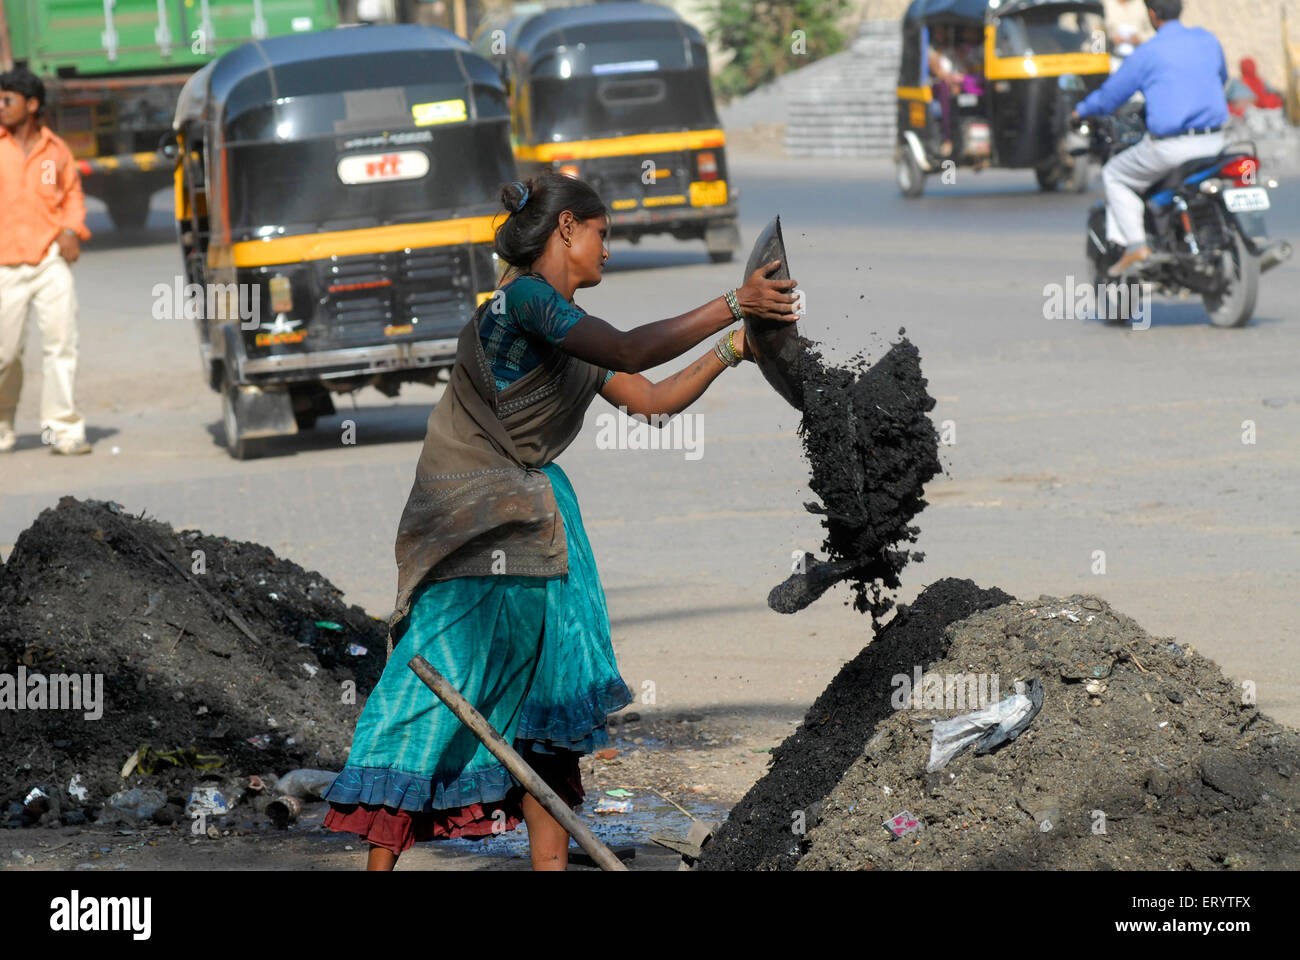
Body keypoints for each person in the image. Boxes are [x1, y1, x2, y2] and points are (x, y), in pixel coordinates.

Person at [320, 172, 798, 871]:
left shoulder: (569, 330)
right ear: (567, 228)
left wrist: (736, 349)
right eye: (602, 234)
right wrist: (735, 302)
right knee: (421, 709)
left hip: (536, 533)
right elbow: (633, 351)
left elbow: (652, 399)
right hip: (474, 531)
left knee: (543, 725)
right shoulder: (526, 300)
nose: (609, 249)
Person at [1073, 0, 1228, 276]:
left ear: (1153, 15)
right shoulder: (1208, 40)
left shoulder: (1146, 53)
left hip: (1172, 147)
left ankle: (1136, 245)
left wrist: (1080, 110)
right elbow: (1221, 76)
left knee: (1114, 175)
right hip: (1216, 141)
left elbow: (1110, 97)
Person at [0, 67, 92, 455]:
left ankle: (64, 430)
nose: (1, 107)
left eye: (8, 100)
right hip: (4, 265)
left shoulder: (55, 150)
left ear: (32, 104)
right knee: (4, 354)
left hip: (49, 261)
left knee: (60, 346)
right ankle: (3, 422)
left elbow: (71, 193)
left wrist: (71, 231)